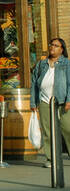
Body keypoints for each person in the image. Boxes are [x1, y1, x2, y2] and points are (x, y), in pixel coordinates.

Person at [30, 36, 70, 167]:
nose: (52, 47)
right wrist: (33, 102)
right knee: (48, 131)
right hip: (44, 100)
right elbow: (34, 83)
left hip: (62, 100)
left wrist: (69, 99)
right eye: (51, 45)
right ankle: (50, 159)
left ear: (62, 49)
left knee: (67, 128)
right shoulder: (42, 64)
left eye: (56, 45)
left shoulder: (66, 64)